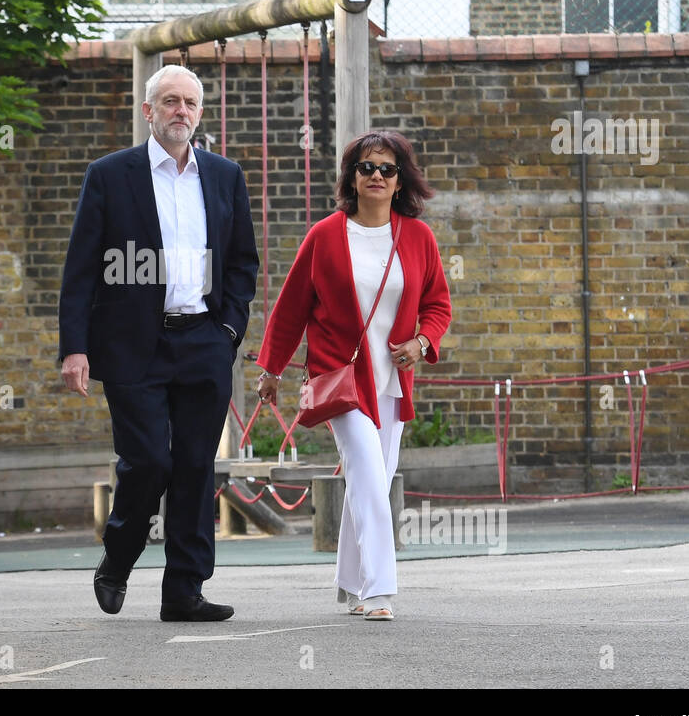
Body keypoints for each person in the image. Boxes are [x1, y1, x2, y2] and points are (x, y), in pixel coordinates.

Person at [59, 64, 259, 622]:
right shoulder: (110, 175)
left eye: (190, 103)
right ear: (149, 111)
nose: (181, 111)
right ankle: (118, 559)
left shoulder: (224, 176)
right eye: (169, 101)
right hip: (130, 345)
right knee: (147, 461)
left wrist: (228, 332)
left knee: (196, 465)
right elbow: (81, 269)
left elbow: (242, 261)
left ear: (200, 112)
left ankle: (184, 592)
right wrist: (75, 346)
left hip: (203, 339)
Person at [255, 130, 451, 621]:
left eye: (388, 169)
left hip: (393, 380)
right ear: (352, 176)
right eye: (368, 168)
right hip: (339, 379)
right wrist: (272, 369)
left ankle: (349, 581)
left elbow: (437, 304)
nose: (378, 176)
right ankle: (379, 590)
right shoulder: (325, 235)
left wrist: (422, 341)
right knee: (365, 472)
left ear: (402, 180)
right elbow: (291, 307)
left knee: (372, 481)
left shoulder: (418, 237)